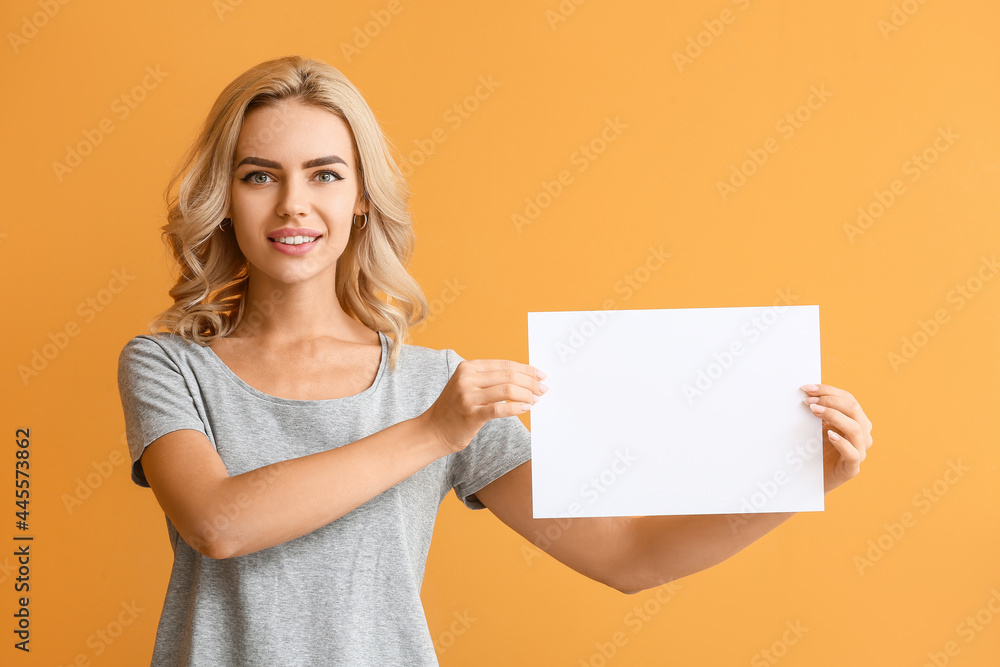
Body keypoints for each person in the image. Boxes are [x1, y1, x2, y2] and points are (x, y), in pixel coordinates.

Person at [116, 55, 874, 666]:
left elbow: (626, 554)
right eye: (260, 175)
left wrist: (795, 480)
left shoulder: (433, 384)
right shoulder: (169, 367)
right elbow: (219, 522)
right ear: (226, 196)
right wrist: (432, 432)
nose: (292, 206)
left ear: (361, 200)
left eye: (324, 173)